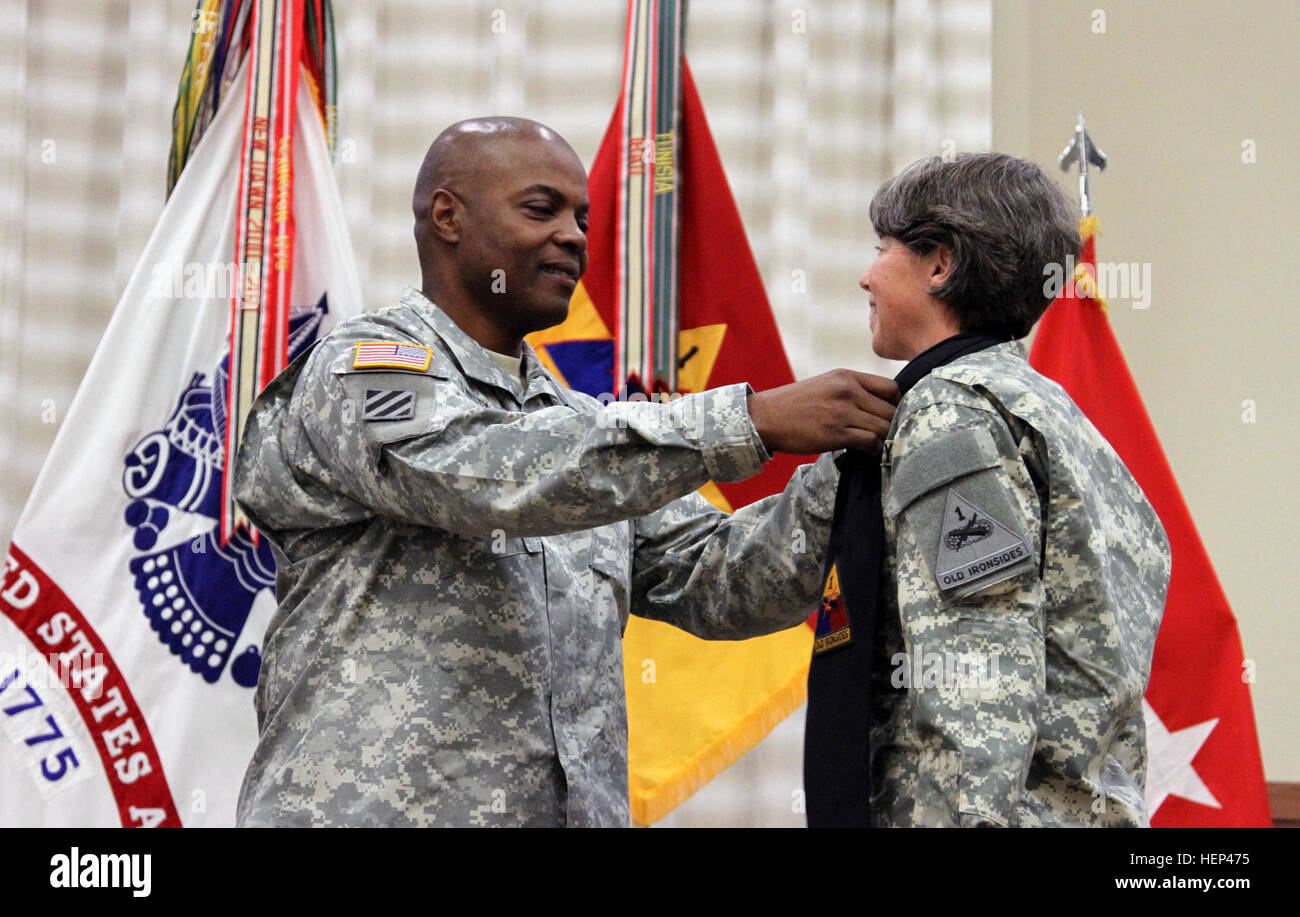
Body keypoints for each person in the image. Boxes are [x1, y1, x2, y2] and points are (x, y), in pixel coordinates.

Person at [231, 116, 899, 826]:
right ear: (448, 216)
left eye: (581, 217)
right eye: (541, 209)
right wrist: (752, 420)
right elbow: (482, 472)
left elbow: (725, 577)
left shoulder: (578, 422)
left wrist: (855, 461)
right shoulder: (362, 366)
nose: (576, 236)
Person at [803, 152, 1171, 827]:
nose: (865, 274)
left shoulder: (950, 411)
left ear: (939, 264)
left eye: (881, 248)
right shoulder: (1054, 411)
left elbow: (975, 681)